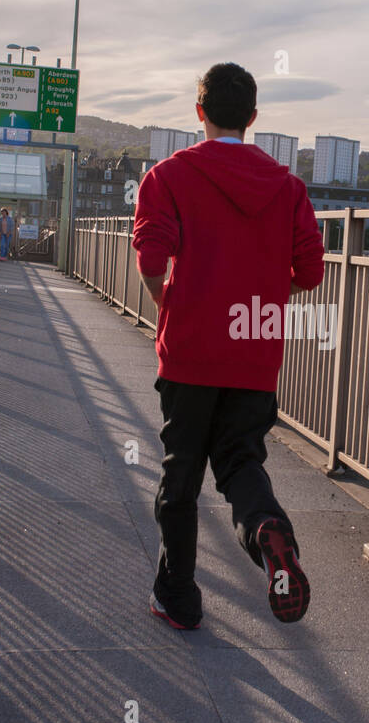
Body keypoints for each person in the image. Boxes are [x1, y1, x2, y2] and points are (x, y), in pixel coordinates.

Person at [132, 62, 324, 630]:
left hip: (190, 351)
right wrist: (261, 296)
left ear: (200, 113)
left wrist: (168, 301)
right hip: (255, 350)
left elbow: (149, 258)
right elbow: (310, 273)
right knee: (241, 462)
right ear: (254, 119)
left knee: (181, 475)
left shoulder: (168, 176)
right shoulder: (288, 188)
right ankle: (266, 529)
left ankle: (179, 597)